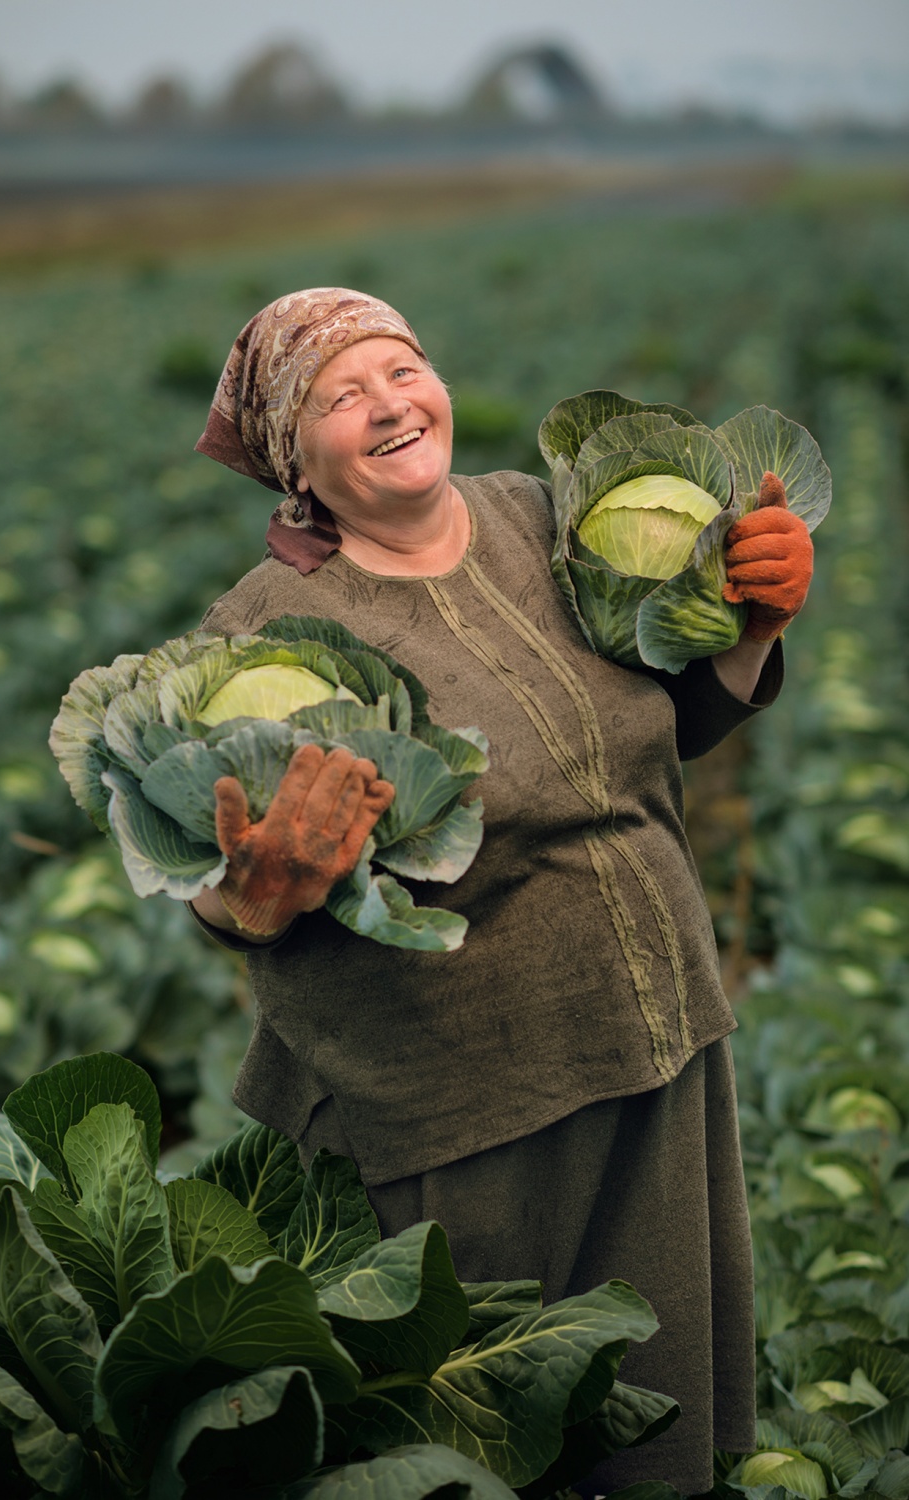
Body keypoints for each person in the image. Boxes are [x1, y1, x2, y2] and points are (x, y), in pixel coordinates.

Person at [186, 287, 814, 1495]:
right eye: (341, 396)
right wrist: (249, 900)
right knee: (483, 1441)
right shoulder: (265, 633)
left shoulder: (541, 519)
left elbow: (659, 728)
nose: (389, 405)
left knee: (655, 1425)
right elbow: (215, 874)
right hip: (468, 1113)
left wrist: (749, 628)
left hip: (659, 1043)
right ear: (294, 459)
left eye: (401, 369)